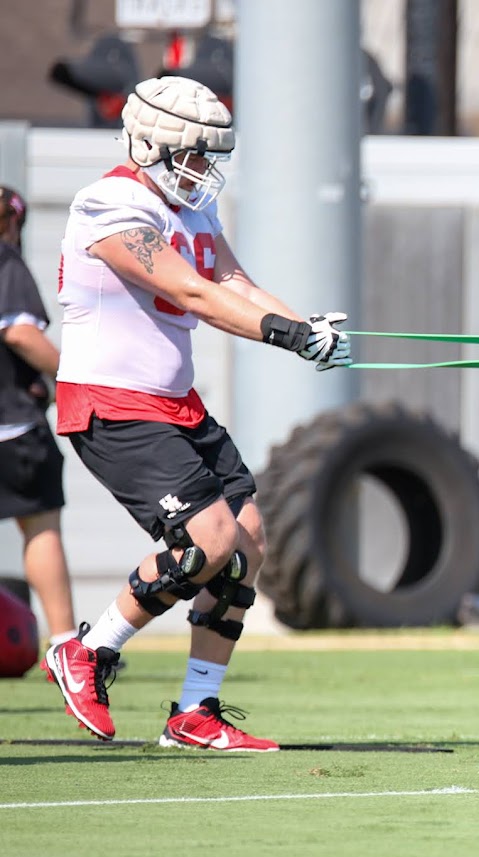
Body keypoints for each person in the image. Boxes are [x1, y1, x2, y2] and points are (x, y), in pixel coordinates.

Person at [41, 76, 352, 750]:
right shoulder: (109, 204)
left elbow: (233, 282)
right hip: (114, 404)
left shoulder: (193, 211)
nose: (204, 170)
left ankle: (195, 710)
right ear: (149, 145)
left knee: (245, 545)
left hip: (177, 405)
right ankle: (89, 649)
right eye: (194, 155)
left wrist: (309, 330)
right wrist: (284, 334)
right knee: (205, 543)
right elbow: (192, 292)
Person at [0, 185, 78, 653]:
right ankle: (66, 646)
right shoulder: (6, 262)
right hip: (12, 427)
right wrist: (74, 378)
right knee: (41, 526)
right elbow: (20, 332)